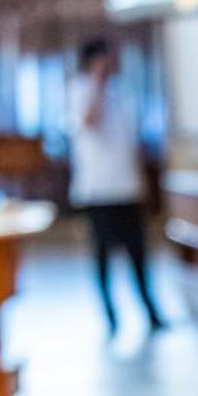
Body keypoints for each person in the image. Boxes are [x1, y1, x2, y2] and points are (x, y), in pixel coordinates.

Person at [68, 37, 163, 335]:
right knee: (103, 254)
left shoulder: (122, 93)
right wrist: (97, 82)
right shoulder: (80, 89)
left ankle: (150, 311)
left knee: (138, 252)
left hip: (126, 186)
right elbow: (89, 121)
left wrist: (143, 183)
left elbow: (130, 143)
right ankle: (110, 314)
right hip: (98, 189)